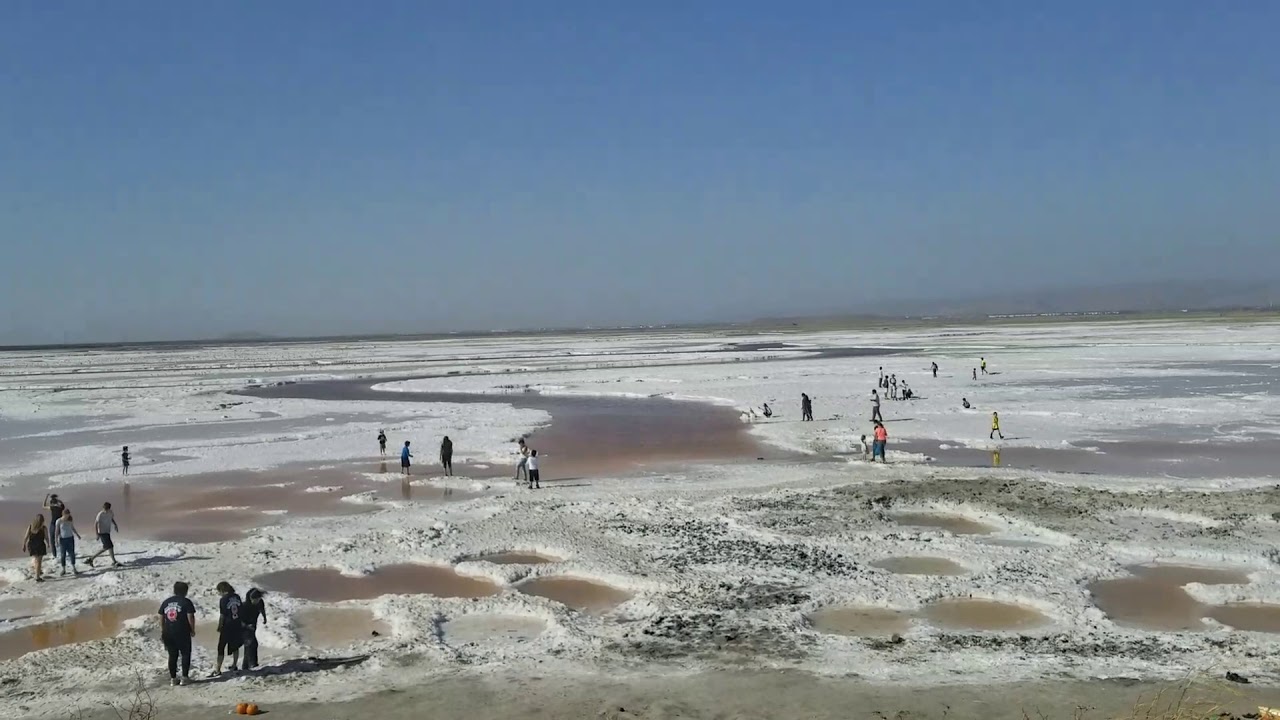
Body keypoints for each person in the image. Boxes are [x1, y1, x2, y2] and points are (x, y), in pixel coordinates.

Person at [159, 581, 196, 686]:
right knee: (185, 654)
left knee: (172, 655)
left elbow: (161, 617)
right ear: (185, 591)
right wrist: (192, 629)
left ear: (174, 590)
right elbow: (190, 616)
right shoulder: (186, 602)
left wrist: (163, 630)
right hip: (182, 632)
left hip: (168, 632)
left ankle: (173, 678)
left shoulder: (166, 602)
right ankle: (184, 677)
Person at [215, 581, 244, 675]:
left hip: (227, 626)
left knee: (221, 647)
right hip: (237, 624)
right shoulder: (237, 597)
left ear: (222, 590)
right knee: (235, 646)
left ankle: (218, 669)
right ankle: (234, 665)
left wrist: (219, 626)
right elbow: (241, 611)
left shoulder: (223, 599)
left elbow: (222, 615)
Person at [86, 502, 122, 568]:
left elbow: (111, 519)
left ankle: (91, 559)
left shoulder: (110, 512)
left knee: (107, 547)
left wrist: (115, 525)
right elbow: (96, 524)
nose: (105, 510)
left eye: (106, 509)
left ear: (109, 509)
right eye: (104, 509)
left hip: (107, 531)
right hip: (102, 532)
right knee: (109, 546)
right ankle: (113, 561)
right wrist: (97, 534)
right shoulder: (100, 514)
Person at [241, 588, 267, 670]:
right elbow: (239, 621)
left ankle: (247, 665)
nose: (256, 601)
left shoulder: (260, 602)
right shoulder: (244, 606)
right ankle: (252, 664)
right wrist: (247, 626)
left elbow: (262, 609)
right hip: (244, 628)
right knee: (251, 644)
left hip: (253, 626)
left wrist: (264, 618)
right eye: (254, 600)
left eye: (258, 599)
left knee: (251, 645)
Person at [54, 509, 81, 576]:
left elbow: (72, 528)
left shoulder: (70, 520)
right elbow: (57, 531)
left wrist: (77, 535)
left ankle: (74, 568)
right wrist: (56, 540)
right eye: (66, 515)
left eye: (68, 515)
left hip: (70, 538)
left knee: (72, 553)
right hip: (63, 539)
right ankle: (63, 569)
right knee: (63, 555)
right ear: (63, 514)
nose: (67, 516)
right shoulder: (59, 521)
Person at [22, 514, 48, 582]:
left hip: (32, 545)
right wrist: (48, 543)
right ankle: (37, 577)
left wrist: (24, 545)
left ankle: (37, 571)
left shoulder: (31, 527)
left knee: (36, 560)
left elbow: (26, 536)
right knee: (38, 561)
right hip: (40, 545)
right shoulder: (43, 528)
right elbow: (46, 537)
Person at [43, 494, 64, 560]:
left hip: (53, 524)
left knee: (52, 540)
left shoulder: (52, 508)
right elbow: (62, 504)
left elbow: (43, 506)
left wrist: (46, 497)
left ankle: (54, 555)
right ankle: (62, 553)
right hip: (60, 524)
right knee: (61, 539)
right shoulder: (61, 507)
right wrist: (58, 500)